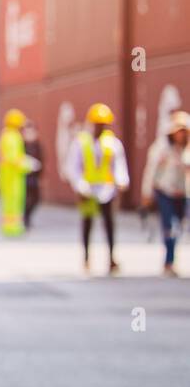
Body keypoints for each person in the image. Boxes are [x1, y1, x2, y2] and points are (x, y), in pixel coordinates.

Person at [63, 103, 130, 275]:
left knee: (109, 224)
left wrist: (122, 181)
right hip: (87, 191)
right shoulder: (81, 142)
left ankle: (111, 258)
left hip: (107, 191)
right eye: (98, 124)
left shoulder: (113, 143)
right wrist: (80, 186)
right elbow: (73, 167)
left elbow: (119, 166)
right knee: (87, 224)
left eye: (103, 124)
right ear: (91, 124)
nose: (100, 127)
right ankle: (86, 258)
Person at [140, 109, 190, 277]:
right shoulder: (162, 148)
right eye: (179, 131)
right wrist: (147, 193)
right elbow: (151, 171)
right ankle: (169, 262)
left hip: (182, 193)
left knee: (179, 227)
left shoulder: (186, 150)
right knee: (169, 226)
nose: (181, 135)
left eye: (184, 131)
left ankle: (171, 259)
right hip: (165, 192)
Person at [0, 109, 39, 236]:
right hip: (12, 177)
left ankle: (10, 227)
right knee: (14, 203)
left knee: (10, 203)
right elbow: (13, 158)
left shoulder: (7, 135)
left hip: (9, 176)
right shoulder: (13, 137)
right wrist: (28, 164)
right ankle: (13, 228)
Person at [22, 119, 44, 230]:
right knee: (25, 199)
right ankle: (25, 219)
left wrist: (40, 177)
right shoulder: (21, 146)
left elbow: (42, 162)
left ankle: (27, 216)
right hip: (23, 177)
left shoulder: (37, 146)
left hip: (34, 177)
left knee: (36, 199)